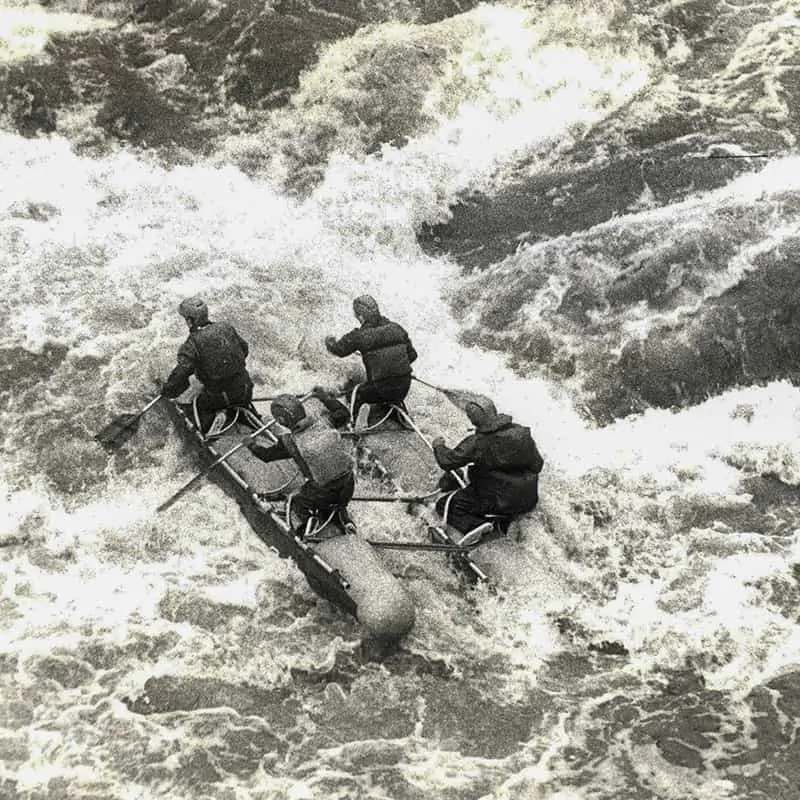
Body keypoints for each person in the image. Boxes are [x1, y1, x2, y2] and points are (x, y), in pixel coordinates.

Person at [431, 395, 544, 540]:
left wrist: (438, 446)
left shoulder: (478, 442)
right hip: (528, 499)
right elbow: (537, 465)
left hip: (500, 500)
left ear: (473, 419)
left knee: (445, 505)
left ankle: (483, 528)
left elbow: (447, 461)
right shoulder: (521, 432)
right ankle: (503, 517)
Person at [247, 390, 355, 536]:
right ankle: (345, 520)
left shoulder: (290, 442)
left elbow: (266, 455)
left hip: (324, 492)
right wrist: (324, 397)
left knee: (294, 500)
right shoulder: (325, 421)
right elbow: (344, 413)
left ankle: (302, 530)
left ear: (282, 421)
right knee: (333, 492)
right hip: (348, 484)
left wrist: (251, 445)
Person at [162, 297, 253, 433]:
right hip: (246, 389)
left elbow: (181, 374)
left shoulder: (192, 344)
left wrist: (167, 391)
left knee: (195, 406)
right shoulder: (226, 327)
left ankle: (211, 422)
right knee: (234, 390)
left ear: (190, 320)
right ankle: (249, 415)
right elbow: (244, 349)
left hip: (220, 397)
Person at [324, 295, 417, 424]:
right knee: (392, 388)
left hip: (379, 388)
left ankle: (358, 419)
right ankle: (397, 410)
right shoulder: (397, 328)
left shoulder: (359, 336)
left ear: (360, 316)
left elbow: (339, 350)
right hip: (404, 387)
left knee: (353, 395)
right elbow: (412, 356)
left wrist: (329, 341)